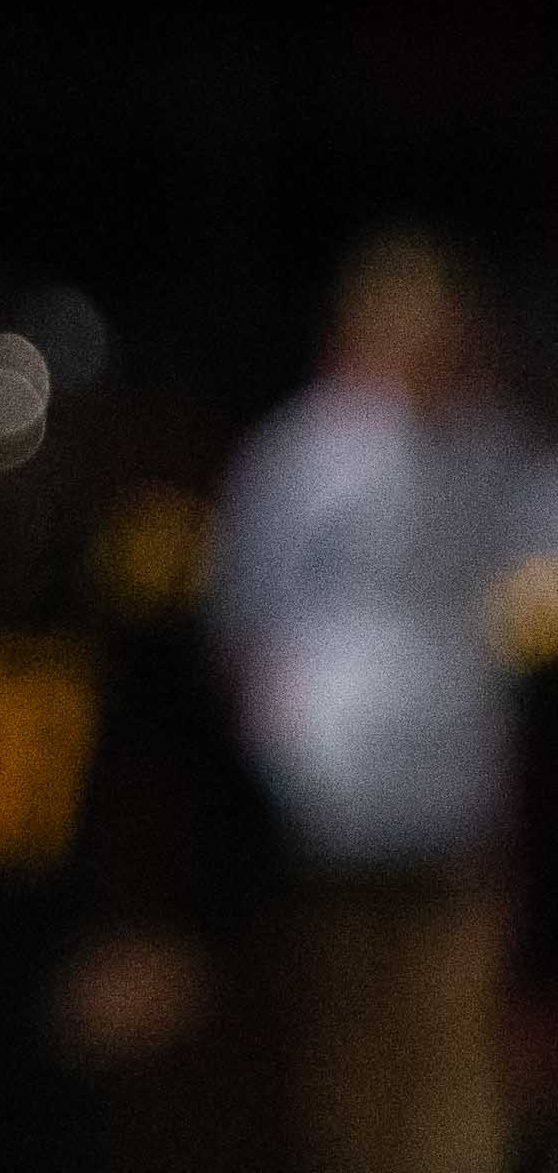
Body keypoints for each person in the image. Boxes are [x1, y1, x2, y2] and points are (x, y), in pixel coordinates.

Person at [212, 225, 547, 1173]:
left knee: (451, 1063)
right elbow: (246, 620)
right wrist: (285, 750)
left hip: (454, 802)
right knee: (344, 1062)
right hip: (331, 800)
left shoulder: (495, 452)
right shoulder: (299, 456)